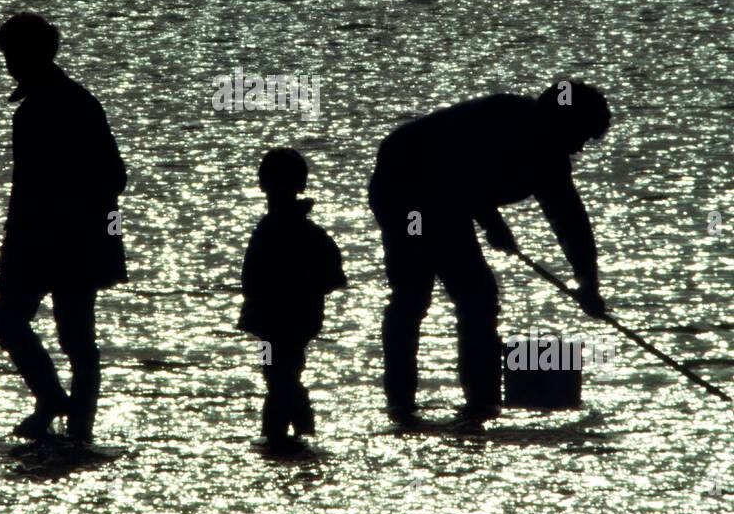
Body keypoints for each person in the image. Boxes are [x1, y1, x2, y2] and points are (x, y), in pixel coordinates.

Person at [368, 81, 611, 426]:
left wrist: (588, 282)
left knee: (476, 300)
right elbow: (457, 173)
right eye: (580, 136)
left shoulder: (551, 160)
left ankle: (480, 403)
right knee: (420, 295)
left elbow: (570, 221)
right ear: (560, 122)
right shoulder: (502, 119)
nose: (579, 148)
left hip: (448, 201)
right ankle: (405, 403)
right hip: (405, 188)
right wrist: (493, 223)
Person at [0, 13, 128, 442]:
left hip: (59, 242)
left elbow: (107, 178)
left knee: (42, 327)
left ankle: (70, 418)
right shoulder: (68, 103)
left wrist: (53, 224)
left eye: (12, 55)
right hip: (63, 240)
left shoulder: (54, 107)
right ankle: (67, 415)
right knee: (49, 329)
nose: (8, 65)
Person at [238, 148, 346, 449]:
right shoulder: (306, 231)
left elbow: (251, 279)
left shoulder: (277, 229)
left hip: (275, 321)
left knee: (277, 376)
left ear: (262, 184)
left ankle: (280, 435)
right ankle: (299, 432)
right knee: (283, 374)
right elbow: (334, 277)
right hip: (292, 319)